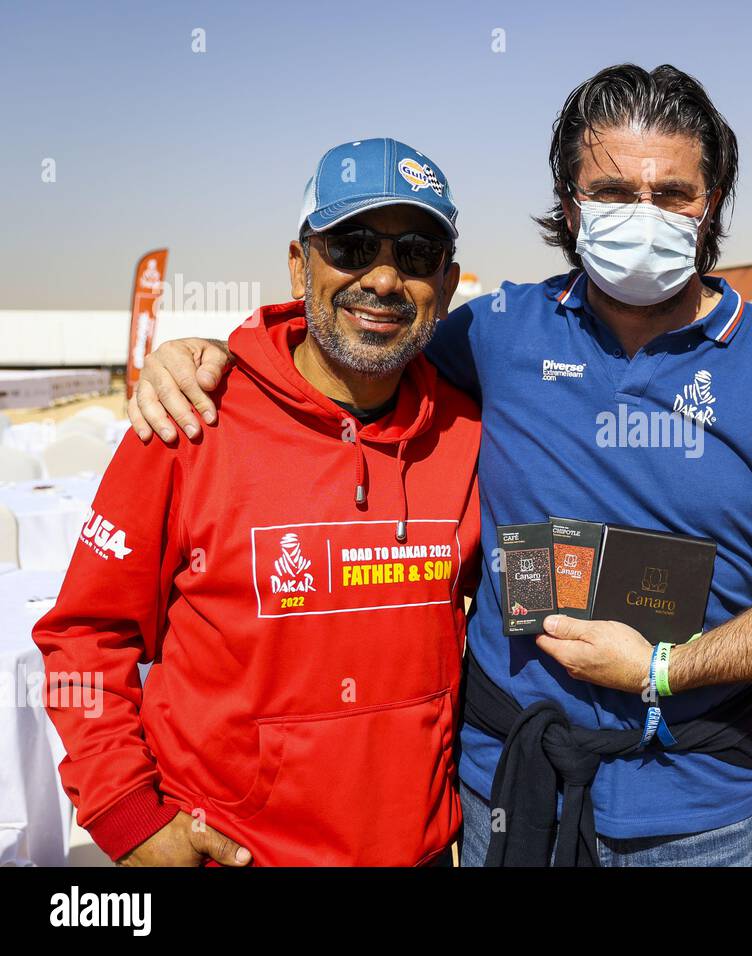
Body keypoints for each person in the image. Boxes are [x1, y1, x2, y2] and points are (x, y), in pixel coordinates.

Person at [123, 65, 752, 867]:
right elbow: (357, 344)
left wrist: (666, 669)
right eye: (615, 192)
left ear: (711, 207)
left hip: (696, 813)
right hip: (507, 795)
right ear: (569, 206)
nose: (644, 215)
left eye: (672, 195)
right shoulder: (495, 335)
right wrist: (215, 355)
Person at [34, 138, 480, 866]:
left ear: (449, 280)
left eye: (417, 253)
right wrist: (125, 815)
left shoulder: (468, 431)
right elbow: (83, 638)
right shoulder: (189, 418)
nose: (384, 278)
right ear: (301, 265)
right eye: (353, 245)